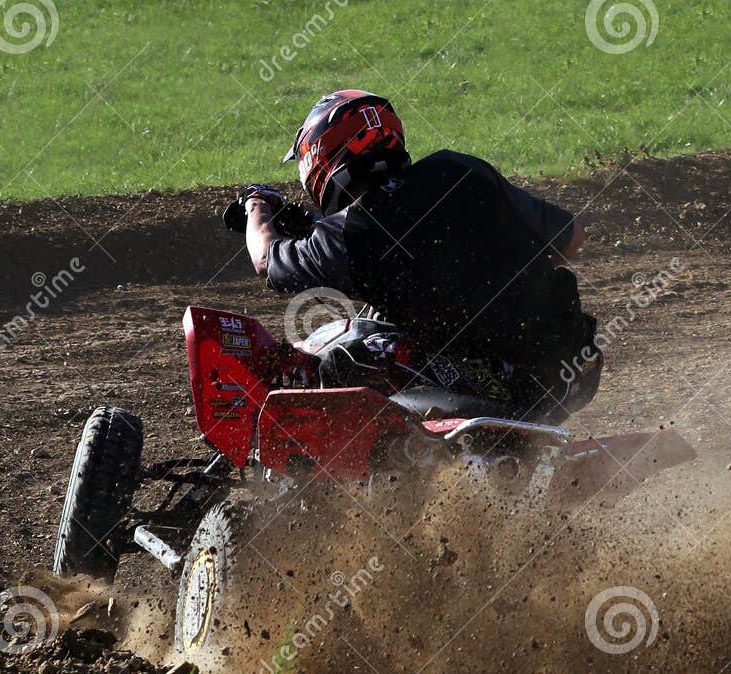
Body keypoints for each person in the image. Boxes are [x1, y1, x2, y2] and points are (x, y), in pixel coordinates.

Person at [239, 89, 600, 424]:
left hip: (504, 389)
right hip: (573, 373)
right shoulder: (459, 169)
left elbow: (266, 260)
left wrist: (256, 203)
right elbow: (572, 239)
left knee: (352, 348)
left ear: (321, 159)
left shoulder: (349, 234)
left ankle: (330, 473)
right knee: (386, 321)